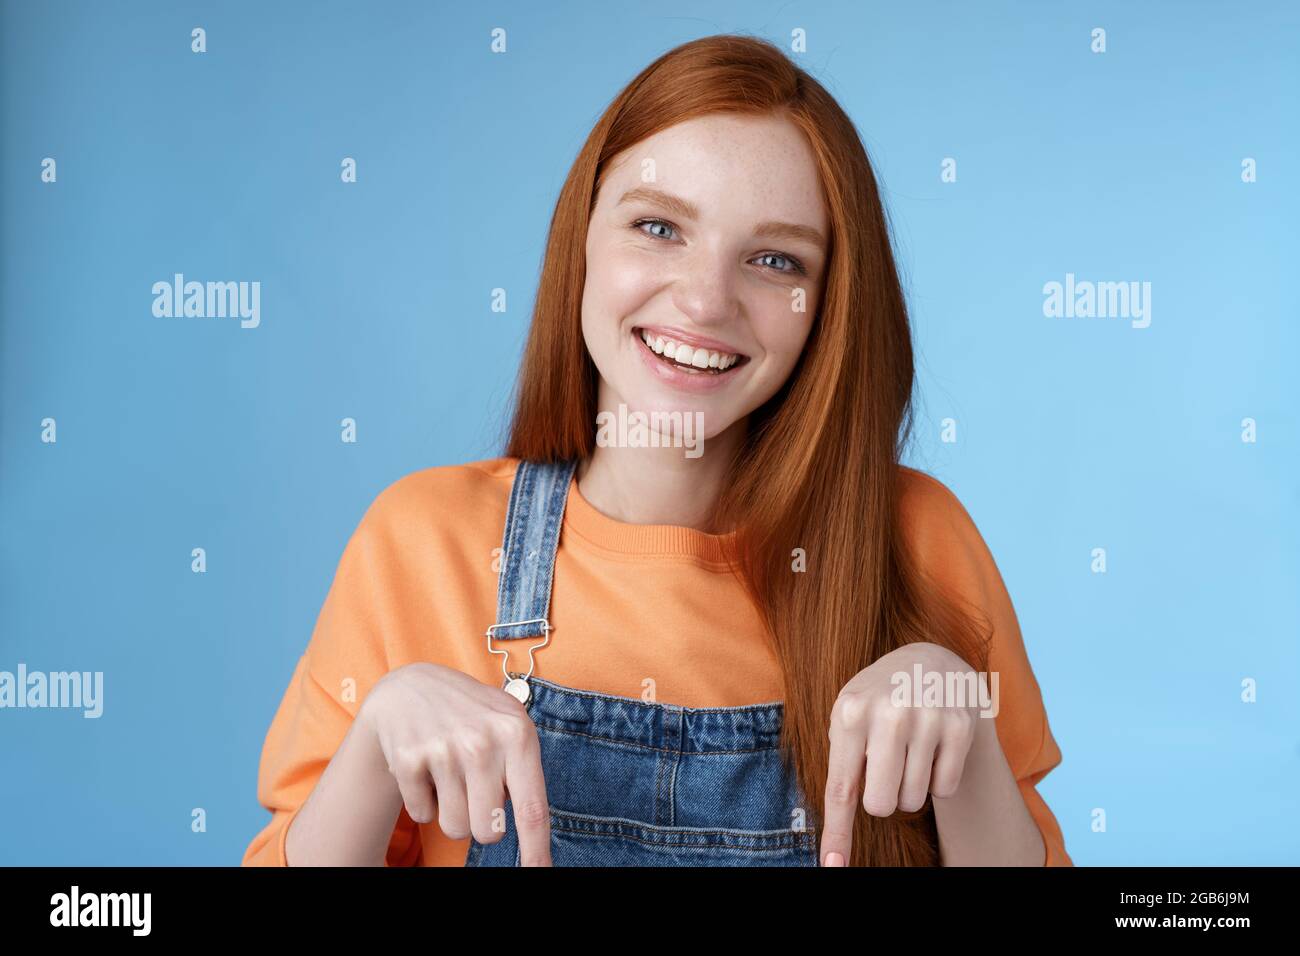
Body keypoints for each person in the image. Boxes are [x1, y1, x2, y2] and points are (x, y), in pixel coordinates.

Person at [242, 33, 1071, 867]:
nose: (707, 301)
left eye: (775, 259)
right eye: (659, 227)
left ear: (827, 304)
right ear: (583, 240)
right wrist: (376, 739)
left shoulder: (919, 540)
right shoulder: (419, 542)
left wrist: (960, 727)